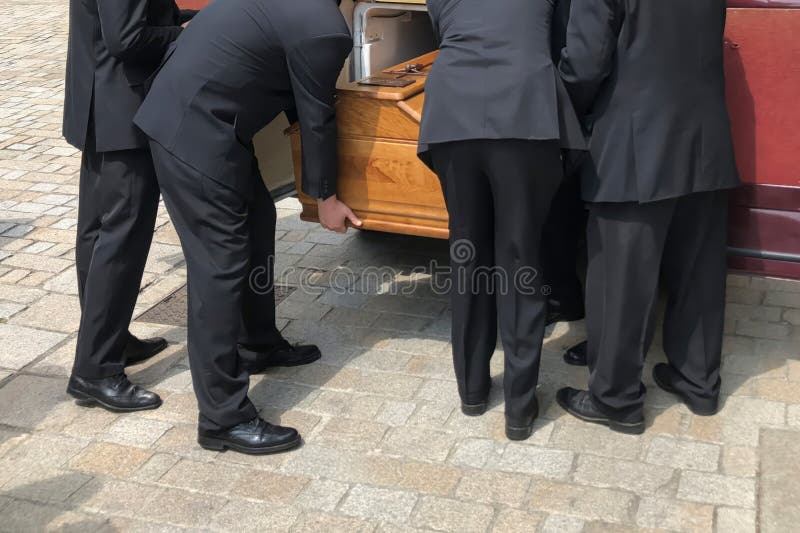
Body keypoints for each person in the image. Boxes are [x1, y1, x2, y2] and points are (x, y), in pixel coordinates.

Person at [134, 0, 359, 455]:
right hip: (192, 130)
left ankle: (258, 343)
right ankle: (222, 417)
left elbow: (300, 95)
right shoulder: (325, 29)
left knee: (259, 219)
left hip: (208, 116)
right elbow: (316, 113)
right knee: (220, 268)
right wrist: (327, 198)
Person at [556, 0, 740, 434]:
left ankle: (616, 399)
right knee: (698, 272)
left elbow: (584, 63)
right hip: (704, 137)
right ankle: (698, 381)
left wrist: (570, 113)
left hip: (634, 141)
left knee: (620, 281)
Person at [419, 0, 585, 440]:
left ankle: (472, 391)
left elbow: (442, 27)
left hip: (454, 107)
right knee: (520, 257)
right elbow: (563, 41)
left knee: (467, 252)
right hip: (524, 106)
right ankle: (519, 406)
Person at [63, 0, 197, 412]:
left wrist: (181, 19)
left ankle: (107, 340)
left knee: (99, 232)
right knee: (120, 238)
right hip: (120, 105)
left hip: (100, 99)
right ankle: (96, 370)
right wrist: (188, 35)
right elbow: (128, 38)